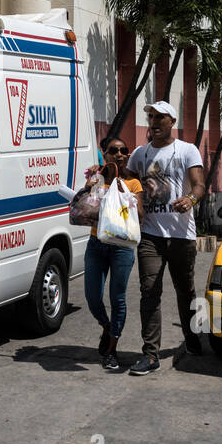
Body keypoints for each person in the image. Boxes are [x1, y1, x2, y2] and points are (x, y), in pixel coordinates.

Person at [126, 101, 206, 373]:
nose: (154, 122)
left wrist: (190, 199)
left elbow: (199, 185)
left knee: (186, 291)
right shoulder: (140, 154)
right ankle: (150, 354)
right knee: (149, 291)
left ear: (172, 122)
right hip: (151, 235)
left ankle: (193, 337)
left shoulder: (186, 150)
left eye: (160, 118)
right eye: (150, 117)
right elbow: (127, 184)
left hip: (182, 236)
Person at [82, 136, 143, 370]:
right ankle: (107, 327)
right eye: (113, 150)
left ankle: (111, 350)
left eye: (123, 150)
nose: (119, 154)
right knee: (92, 297)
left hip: (122, 247)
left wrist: (126, 195)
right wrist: (89, 187)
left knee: (118, 298)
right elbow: (86, 210)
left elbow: (141, 216)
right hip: (97, 242)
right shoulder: (96, 180)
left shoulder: (134, 183)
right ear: (104, 154)